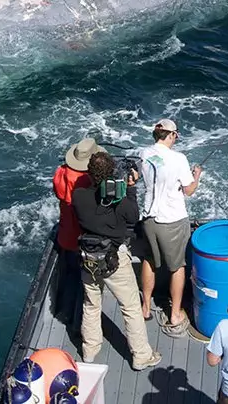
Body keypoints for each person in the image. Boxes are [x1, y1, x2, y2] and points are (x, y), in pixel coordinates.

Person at [72, 151, 162, 371]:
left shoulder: (78, 196)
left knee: (91, 305)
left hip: (88, 258)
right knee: (130, 307)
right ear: (111, 172)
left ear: (89, 173)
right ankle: (141, 355)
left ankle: (90, 350)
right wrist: (130, 188)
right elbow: (133, 217)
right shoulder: (119, 201)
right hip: (114, 259)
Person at [139, 117, 202, 335]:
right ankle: (174, 314)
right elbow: (189, 190)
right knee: (177, 266)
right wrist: (197, 176)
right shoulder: (179, 159)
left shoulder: (144, 154)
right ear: (172, 135)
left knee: (149, 259)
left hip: (148, 218)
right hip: (172, 221)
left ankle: (145, 307)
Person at [52, 137, 103, 332]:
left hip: (65, 235)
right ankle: (77, 324)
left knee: (70, 277)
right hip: (85, 240)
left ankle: (63, 312)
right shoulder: (87, 181)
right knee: (85, 285)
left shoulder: (61, 173)